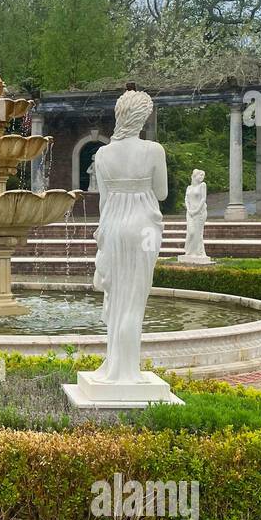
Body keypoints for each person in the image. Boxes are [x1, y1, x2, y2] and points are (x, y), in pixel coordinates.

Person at [90, 87, 168, 384]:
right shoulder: (153, 150)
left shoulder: (102, 154)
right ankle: (127, 372)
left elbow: (103, 201)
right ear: (141, 117)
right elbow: (160, 192)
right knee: (134, 300)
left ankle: (113, 365)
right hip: (143, 227)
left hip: (113, 226)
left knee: (116, 298)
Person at [181, 168, 210, 263]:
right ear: (194, 176)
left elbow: (203, 199)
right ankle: (188, 252)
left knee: (198, 233)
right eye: (200, 175)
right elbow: (186, 199)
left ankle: (198, 252)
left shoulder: (203, 185)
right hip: (190, 212)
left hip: (200, 212)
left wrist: (196, 210)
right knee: (191, 232)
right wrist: (189, 210)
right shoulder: (189, 188)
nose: (202, 177)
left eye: (203, 175)